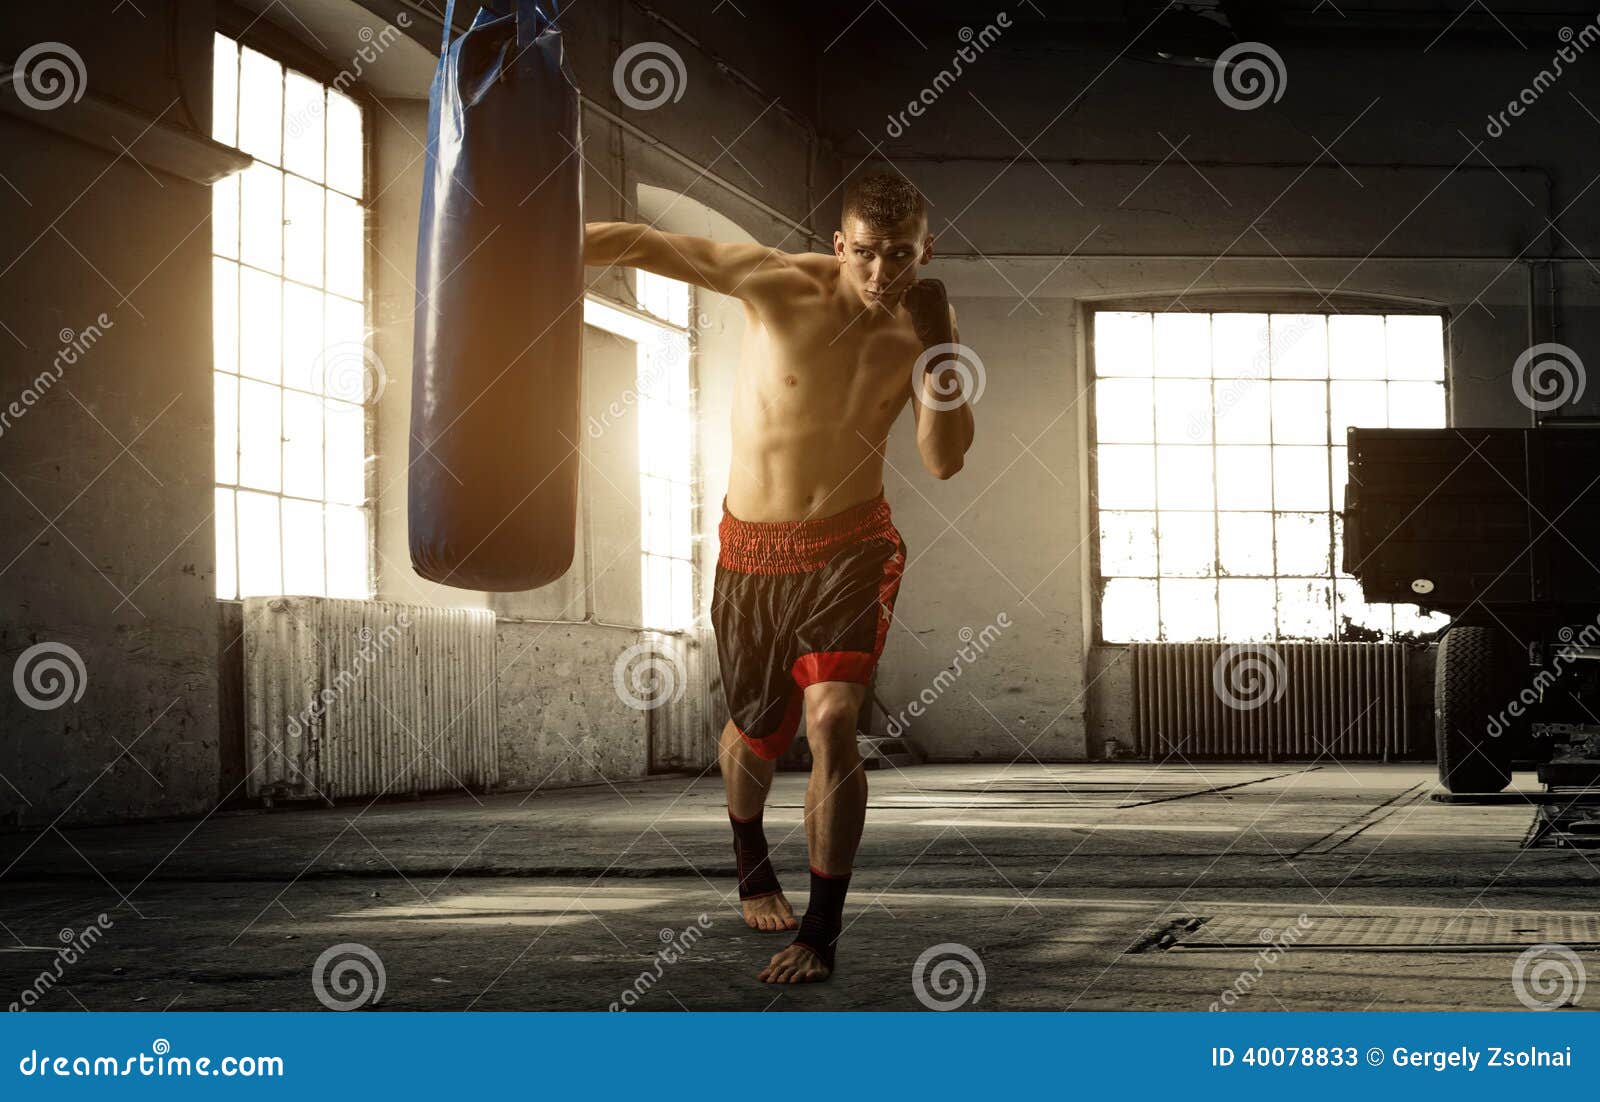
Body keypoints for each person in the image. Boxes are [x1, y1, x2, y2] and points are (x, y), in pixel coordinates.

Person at [583, 172, 976, 983]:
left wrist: (940, 345)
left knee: (831, 719)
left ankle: (823, 931)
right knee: (755, 737)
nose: (881, 275)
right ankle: (750, 855)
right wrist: (513, 258)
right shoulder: (777, 282)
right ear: (839, 247)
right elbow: (644, 242)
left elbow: (942, 460)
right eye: (864, 255)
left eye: (899, 257)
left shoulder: (924, 328)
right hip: (753, 554)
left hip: (852, 547)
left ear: (924, 251)